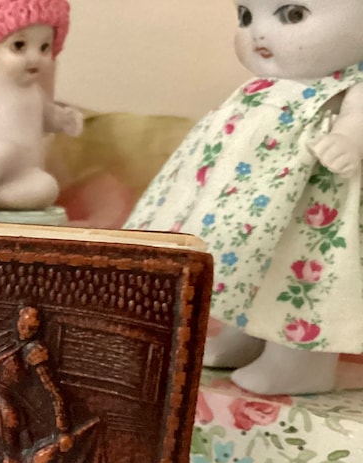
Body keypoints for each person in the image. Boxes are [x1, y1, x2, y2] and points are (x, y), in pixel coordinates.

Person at [126, 0, 363, 394]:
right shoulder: (265, 86)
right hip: (253, 210)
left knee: (299, 274)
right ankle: (246, 336)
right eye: (245, 16)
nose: (258, 32)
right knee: (251, 269)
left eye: (293, 15)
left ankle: (300, 363)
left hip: (313, 211)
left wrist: (348, 140)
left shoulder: (349, 88)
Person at [0, 0, 83, 213]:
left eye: (44, 47)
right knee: (1, 148)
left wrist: (63, 120)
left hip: (22, 173)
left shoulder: (35, 92)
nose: (35, 57)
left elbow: (46, 117)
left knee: (47, 186)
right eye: (19, 46)